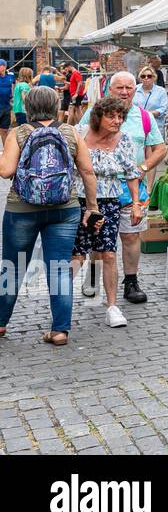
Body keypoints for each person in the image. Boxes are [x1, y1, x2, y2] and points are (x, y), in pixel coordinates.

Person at [0, 86, 99, 346]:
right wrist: (92, 207)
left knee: (13, 266)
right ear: (56, 106)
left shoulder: (18, 133)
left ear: (28, 107)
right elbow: (88, 172)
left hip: (22, 209)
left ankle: (0, 323)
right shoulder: (70, 132)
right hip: (65, 209)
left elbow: (6, 171)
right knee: (59, 269)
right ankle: (59, 331)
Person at [77, 71, 166, 304]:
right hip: (98, 188)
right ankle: (95, 275)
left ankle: (131, 281)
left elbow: (160, 148)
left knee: (130, 236)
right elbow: (78, 141)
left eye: (129, 88)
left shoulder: (144, 117)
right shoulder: (93, 113)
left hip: (131, 187)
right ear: (110, 89)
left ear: (135, 90)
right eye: (120, 88)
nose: (125, 92)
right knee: (100, 238)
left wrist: (143, 168)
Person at [71, 98, 143, 327]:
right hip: (78, 202)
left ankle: (112, 307)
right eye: (111, 116)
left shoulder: (124, 140)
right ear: (98, 117)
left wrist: (135, 204)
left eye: (120, 117)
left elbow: (131, 173)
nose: (117, 121)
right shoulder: (79, 134)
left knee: (109, 254)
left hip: (110, 203)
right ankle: (61, 302)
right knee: (77, 256)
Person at [133, 67, 168, 187]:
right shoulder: (135, 90)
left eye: (149, 76)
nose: (146, 78)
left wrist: (148, 114)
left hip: (155, 125)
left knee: (152, 156)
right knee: (139, 154)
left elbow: (164, 108)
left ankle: (149, 187)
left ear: (154, 77)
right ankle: (138, 182)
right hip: (138, 125)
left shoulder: (160, 91)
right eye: (143, 76)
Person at [0, 60, 13, 146]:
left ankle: (6, 150)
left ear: (4, 66)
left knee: (4, 130)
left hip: (6, 107)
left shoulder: (11, 76)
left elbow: (15, 87)